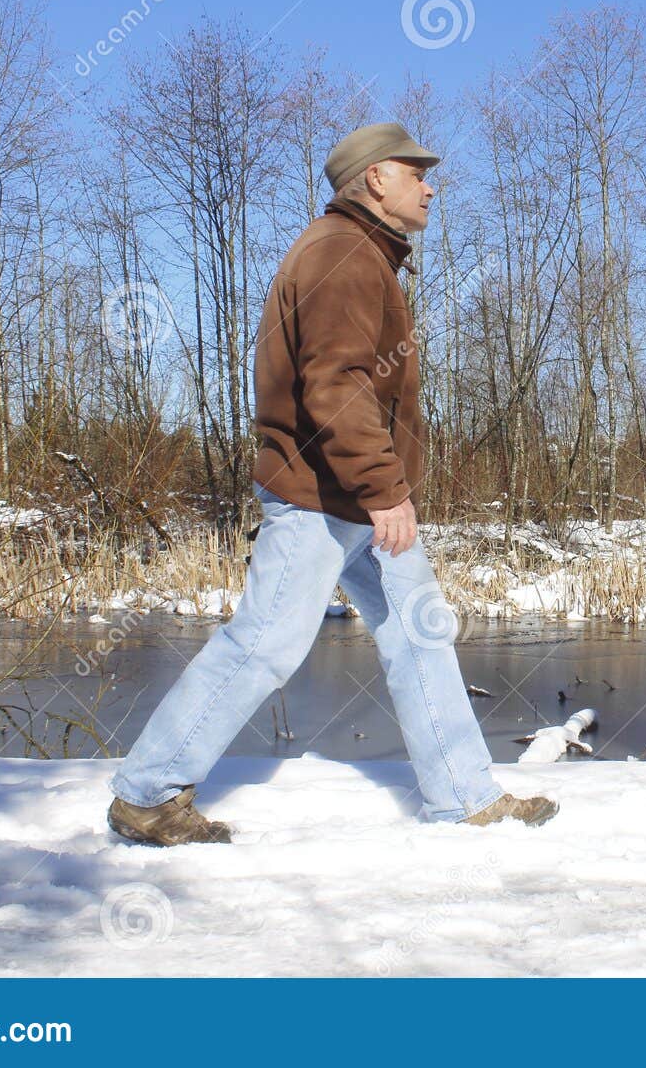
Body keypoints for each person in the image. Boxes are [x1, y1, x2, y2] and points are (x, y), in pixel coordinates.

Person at [105, 122, 559, 846]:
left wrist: (381, 491)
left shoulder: (357, 253)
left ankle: (464, 795)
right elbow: (335, 387)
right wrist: (385, 487)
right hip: (324, 497)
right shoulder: (344, 253)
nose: (430, 186)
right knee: (265, 643)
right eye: (418, 173)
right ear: (376, 178)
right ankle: (147, 792)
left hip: (353, 498)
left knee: (420, 633)